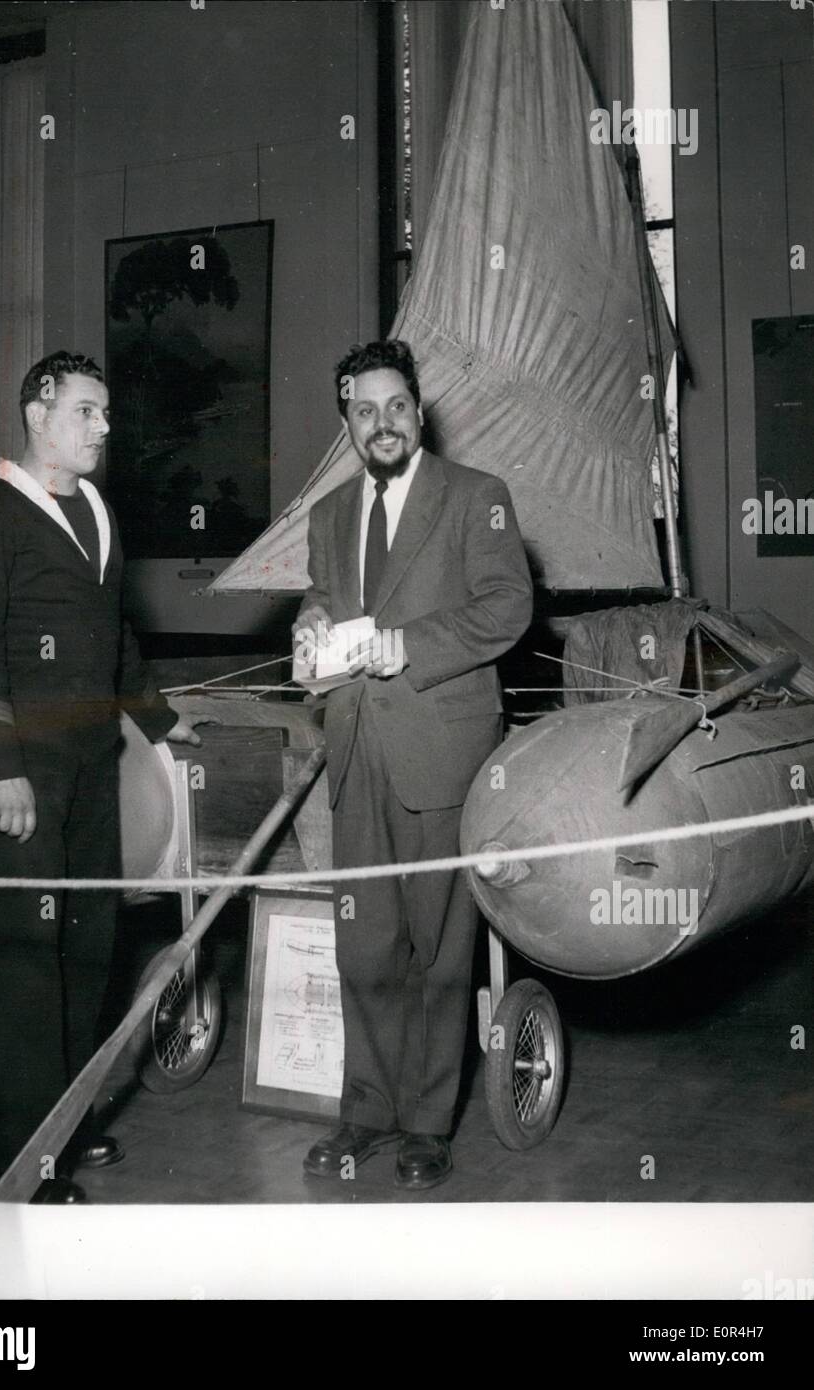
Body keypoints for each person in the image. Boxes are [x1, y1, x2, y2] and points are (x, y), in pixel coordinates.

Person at [0, 350, 214, 1203]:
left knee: (86, 951)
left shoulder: (95, 506)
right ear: (38, 412)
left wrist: (165, 722)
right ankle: (23, 1159)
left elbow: (115, 634)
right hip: (17, 777)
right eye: (88, 412)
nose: (105, 427)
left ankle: (64, 1124)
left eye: (105, 412)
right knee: (22, 961)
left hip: (92, 766)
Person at [295, 340, 533, 1191]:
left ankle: (428, 1122)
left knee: (437, 950)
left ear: (419, 412)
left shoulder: (478, 498)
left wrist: (411, 646)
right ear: (347, 423)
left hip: (441, 752)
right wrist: (309, 630)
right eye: (364, 410)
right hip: (356, 753)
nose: (382, 423)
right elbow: (323, 598)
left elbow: (509, 606)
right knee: (363, 947)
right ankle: (366, 1108)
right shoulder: (328, 516)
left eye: (397, 406)